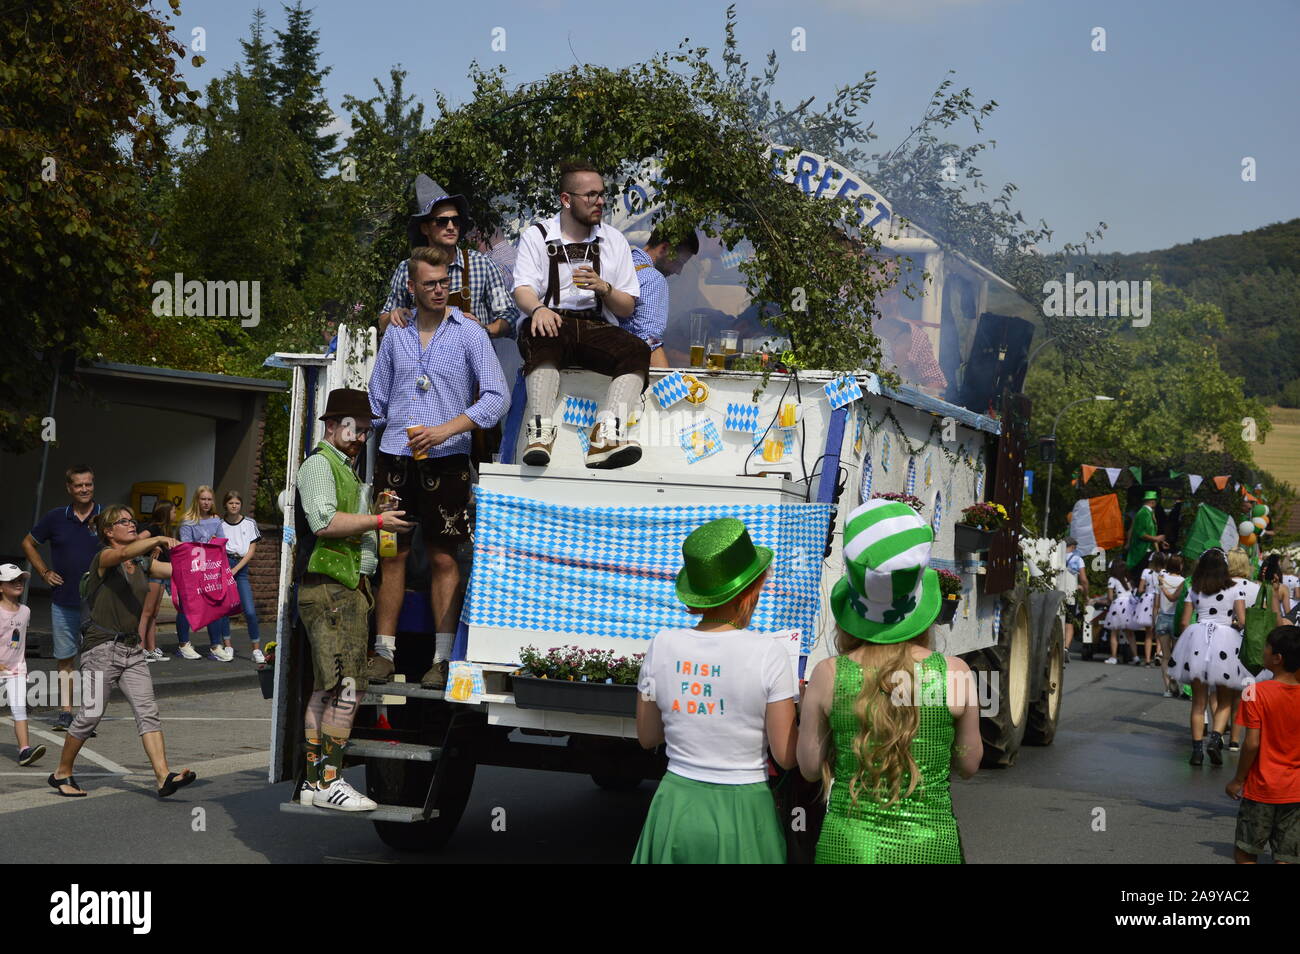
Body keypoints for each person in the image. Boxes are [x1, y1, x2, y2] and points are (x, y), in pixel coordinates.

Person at [797, 499, 982, 863]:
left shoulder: (829, 674)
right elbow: (969, 763)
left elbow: (807, 767)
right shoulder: (956, 673)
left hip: (847, 850)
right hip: (929, 849)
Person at [368, 245, 509, 689]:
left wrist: (446, 430)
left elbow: (496, 397)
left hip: (447, 459)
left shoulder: (469, 332)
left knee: (447, 556)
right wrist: (344, 440)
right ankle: (383, 654)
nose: (439, 290)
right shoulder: (396, 332)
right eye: (429, 283)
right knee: (393, 555)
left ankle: (443, 659)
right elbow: (376, 399)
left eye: (444, 282)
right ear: (410, 287)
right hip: (394, 457)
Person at [632, 518, 796, 863]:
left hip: (676, 804)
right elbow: (786, 755)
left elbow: (647, 736)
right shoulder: (770, 654)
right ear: (751, 590)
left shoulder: (661, 645)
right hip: (743, 811)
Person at [294, 389, 416, 811]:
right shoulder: (318, 464)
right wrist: (378, 518)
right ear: (331, 425)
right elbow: (324, 522)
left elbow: (362, 535)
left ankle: (314, 784)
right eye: (355, 427)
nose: (362, 436)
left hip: (344, 589)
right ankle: (328, 782)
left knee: (328, 690)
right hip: (331, 589)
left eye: (366, 430)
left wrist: (375, 514)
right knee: (346, 689)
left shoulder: (345, 469)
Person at [46, 505, 196, 798]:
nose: (130, 524)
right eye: (123, 521)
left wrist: (215, 563)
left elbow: (179, 569)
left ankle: (163, 776)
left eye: (132, 520)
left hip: (132, 649)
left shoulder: (140, 563)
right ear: (108, 531)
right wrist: (157, 539)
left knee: (148, 712)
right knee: (90, 715)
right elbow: (124, 554)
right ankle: (61, 772)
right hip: (101, 648)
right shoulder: (103, 558)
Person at [513, 159, 646, 469]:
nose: (599, 201)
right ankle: (540, 432)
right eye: (590, 195)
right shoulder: (538, 235)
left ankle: (606, 435)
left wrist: (604, 288)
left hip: (594, 326)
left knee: (637, 349)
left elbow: (627, 307)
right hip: (550, 320)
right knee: (542, 332)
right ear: (566, 199)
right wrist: (538, 309)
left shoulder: (614, 240)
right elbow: (522, 289)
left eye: (602, 194)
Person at [377, 176, 516, 342]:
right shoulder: (408, 269)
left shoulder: (482, 264)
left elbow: (509, 314)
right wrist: (394, 316)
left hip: (472, 363)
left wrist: (485, 330)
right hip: (425, 363)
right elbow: (383, 322)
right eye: (442, 221)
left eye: (455, 220)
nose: (451, 226)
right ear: (425, 228)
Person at [21, 465, 101, 731]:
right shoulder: (56, 517)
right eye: (78, 485)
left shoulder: (105, 517)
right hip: (63, 599)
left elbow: (126, 543)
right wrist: (44, 572)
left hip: (99, 601)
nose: (84, 489)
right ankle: (66, 712)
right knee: (66, 657)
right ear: (69, 488)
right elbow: (28, 543)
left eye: (88, 484)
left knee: (94, 660)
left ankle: (88, 713)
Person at [1226, 625, 1300, 864]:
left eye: (1266, 648)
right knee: (1287, 856)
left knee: (1246, 852)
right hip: (1296, 790)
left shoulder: (1254, 692)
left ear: (1277, 658)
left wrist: (1238, 780)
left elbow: (1251, 744)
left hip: (1262, 788)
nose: (1263, 651)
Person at [1171, 548, 1251, 766]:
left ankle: (1197, 751)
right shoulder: (1236, 589)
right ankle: (1215, 739)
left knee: (1198, 702)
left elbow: (1184, 623)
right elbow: (1242, 621)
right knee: (1225, 700)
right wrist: (1233, 624)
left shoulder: (1194, 589)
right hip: (1225, 642)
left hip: (1199, 641)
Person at [174, 486, 232, 661]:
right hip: (191, 570)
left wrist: (216, 544)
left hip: (211, 570)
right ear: (196, 500)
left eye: (209, 499)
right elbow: (186, 547)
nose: (206, 502)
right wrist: (208, 545)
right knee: (186, 606)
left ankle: (215, 646)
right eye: (203, 499)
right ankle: (184, 644)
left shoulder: (216, 520)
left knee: (214, 606)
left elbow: (222, 545)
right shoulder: (187, 521)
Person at [628, 228, 699, 369]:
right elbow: (649, 341)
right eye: (679, 262)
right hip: (630, 371)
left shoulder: (621, 265)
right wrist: (670, 388)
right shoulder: (653, 279)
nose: (678, 271)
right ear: (664, 248)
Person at [0, 564, 45, 766]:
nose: (18, 583)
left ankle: (24, 751)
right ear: (1, 587)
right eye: (12, 581)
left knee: (19, 709)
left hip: (17, 669)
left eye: (20, 580)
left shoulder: (25, 611)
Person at [221, 490, 264, 663]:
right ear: (226, 504)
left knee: (250, 611)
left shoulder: (249, 523)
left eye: (237, 503)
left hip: (241, 567)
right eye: (231, 503)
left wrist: (236, 569)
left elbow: (251, 550)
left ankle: (256, 650)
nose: (234, 506)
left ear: (241, 505)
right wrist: (226, 569)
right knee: (223, 609)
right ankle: (227, 646)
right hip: (225, 565)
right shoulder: (219, 524)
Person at [136, 501, 175, 663]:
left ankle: (151, 648)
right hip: (152, 573)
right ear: (165, 513)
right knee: (146, 612)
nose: (175, 514)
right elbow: (137, 539)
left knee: (154, 613)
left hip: (162, 576)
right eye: (173, 511)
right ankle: (139, 649)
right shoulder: (153, 528)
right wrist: (154, 545)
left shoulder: (166, 530)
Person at [1155, 554, 1185, 697]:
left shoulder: (1161, 580)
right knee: (1177, 654)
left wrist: (1154, 619)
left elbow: (1156, 603)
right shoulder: (1184, 581)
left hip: (1162, 617)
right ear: (1180, 566)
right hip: (1176, 619)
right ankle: (1174, 678)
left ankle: (1167, 689)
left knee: (1165, 656)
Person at [1099, 559, 1137, 665]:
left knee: (1114, 632)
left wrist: (1105, 602)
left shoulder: (1112, 579)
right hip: (1130, 606)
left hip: (1119, 605)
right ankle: (1136, 657)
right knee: (1130, 633)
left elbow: (1110, 597)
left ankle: (1114, 657)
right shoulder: (1128, 579)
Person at [1134, 551, 1165, 667]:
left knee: (1148, 633)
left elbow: (1141, 588)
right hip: (1159, 600)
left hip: (1147, 601)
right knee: (1159, 632)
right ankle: (1157, 654)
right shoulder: (1165, 573)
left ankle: (1147, 660)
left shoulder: (1146, 572)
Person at [1061, 537, 1088, 664]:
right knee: (1069, 622)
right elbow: (1083, 579)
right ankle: (1065, 648)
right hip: (1070, 593)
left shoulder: (1056, 557)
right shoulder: (1078, 559)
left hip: (1056, 592)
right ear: (1072, 547)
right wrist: (1085, 594)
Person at [1125, 489, 1165, 572]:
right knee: (1140, 574)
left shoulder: (1149, 512)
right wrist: (1156, 539)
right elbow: (1141, 533)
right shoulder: (1143, 513)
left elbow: (1150, 532)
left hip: (1148, 550)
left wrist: (1160, 541)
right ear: (1152, 501)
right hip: (1141, 552)